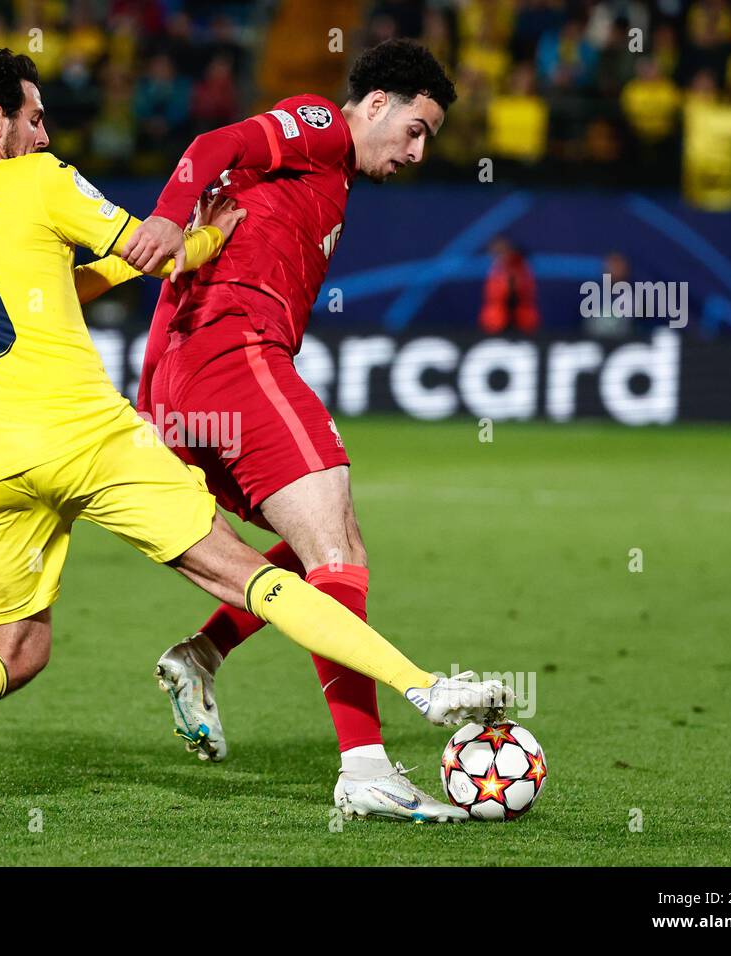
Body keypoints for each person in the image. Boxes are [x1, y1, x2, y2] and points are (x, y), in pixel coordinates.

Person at [0, 49, 511, 817]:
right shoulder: (43, 180)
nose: (45, 135)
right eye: (36, 118)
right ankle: (419, 693)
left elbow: (63, 289)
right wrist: (192, 232)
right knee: (247, 572)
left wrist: (185, 240)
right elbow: (145, 244)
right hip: (88, 439)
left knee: (13, 650)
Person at [125, 39, 494, 822]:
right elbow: (211, 143)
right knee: (340, 550)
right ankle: (364, 765)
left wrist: (155, 392)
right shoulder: (322, 123)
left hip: (185, 380)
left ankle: (203, 653)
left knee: (320, 540)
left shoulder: (325, 181)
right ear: (374, 105)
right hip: (236, 354)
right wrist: (163, 215)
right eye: (416, 128)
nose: (418, 151)